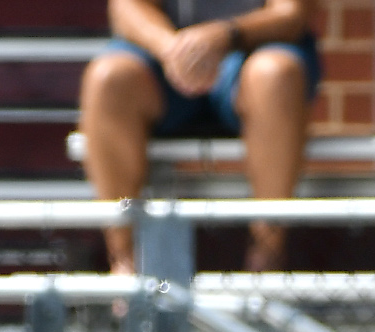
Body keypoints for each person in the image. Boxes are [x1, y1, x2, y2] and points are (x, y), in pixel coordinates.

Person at [80, 0, 318, 273]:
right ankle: (123, 263)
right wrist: (174, 49)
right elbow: (126, 9)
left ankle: (267, 258)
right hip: (165, 55)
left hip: (253, 50)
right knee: (108, 78)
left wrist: (223, 35)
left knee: (275, 74)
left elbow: (291, 14)